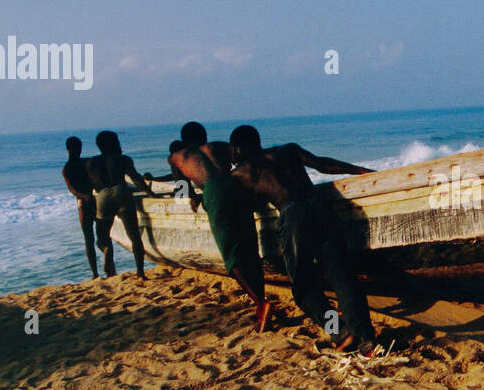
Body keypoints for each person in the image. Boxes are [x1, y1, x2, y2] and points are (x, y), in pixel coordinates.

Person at [228, 124, 378, 353]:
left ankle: (339, 332)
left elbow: (242, 206)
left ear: (238, 148)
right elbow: (323, 164)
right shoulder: (288, 150)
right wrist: (359, 170)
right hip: (321, 207)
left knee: (304, 289)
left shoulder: (241, 174)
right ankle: (366, 339)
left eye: (232, 150)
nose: (231, 156)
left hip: (293, 216)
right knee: (343, 277)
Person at [168, 122, 269, 331]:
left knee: (232, 258)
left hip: (213, 192)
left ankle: (261, 304)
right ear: (204, 135)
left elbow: (182, 187)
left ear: (184, 139)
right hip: (237, 185)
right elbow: (244, 160)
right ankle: (261, 298)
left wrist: (195, 198)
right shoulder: (218, 146)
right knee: (249, 248)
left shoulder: (177, 157)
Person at [85, 130, 149, 279]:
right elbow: (135, 178)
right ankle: (140, 272)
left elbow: (92, 183)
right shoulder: (123, 159)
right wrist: (150, 193)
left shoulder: (91, 162)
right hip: (121, 192)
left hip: (102, 196)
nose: (120, 145)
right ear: (114, 144)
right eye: (118, 142)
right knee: (134, 236)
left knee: (102, 236)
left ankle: (107, 253)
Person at [61, 136, 98, 278]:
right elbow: (72, 189)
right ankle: (95, 273)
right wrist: (85, 196)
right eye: (76, 148)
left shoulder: (84, 162)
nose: (79, 151)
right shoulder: (67, 168)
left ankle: (108, 269)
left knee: (100, 236)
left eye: (80, 148)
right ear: (69, 149)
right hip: (84, 202)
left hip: (91, 199)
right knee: (89, 239)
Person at [144, 140, 200, 212]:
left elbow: (175, 176)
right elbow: (178, 178)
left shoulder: (177, 164)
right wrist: (193, 197)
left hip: (183, 194)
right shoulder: (179, 163)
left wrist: (154, 179)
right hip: (185, 195)